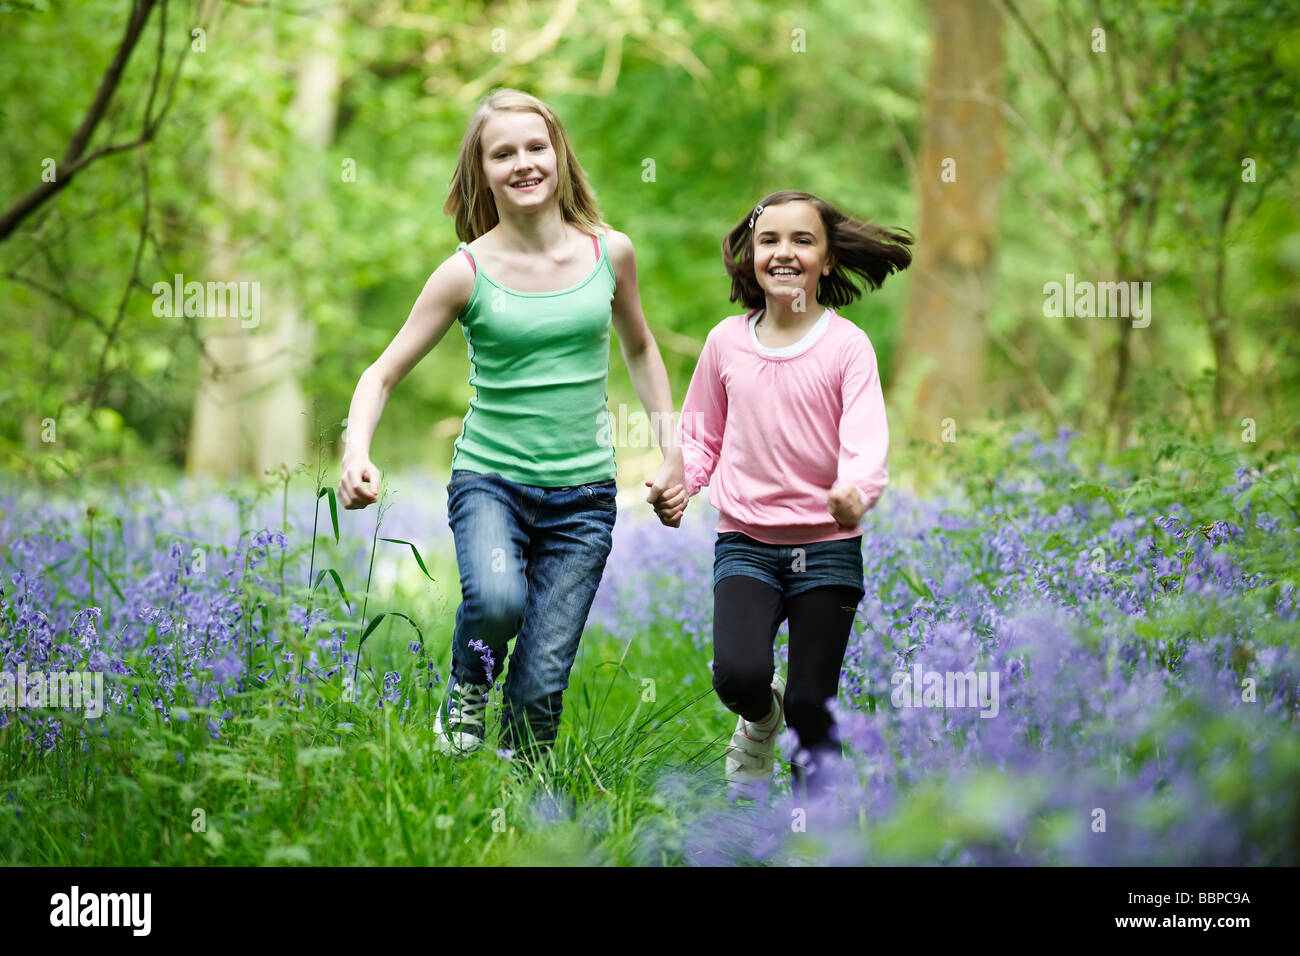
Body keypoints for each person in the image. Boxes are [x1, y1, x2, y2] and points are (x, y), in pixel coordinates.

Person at [337, 88, 685, 765]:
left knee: (541, 684)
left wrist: (674, 455)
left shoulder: (610, 254)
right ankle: (467, 687)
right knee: (497, 600)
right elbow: (379, 374)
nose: (523, 163)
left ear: (559, 155)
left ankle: (520, 809)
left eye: (535, 146)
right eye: (504, 153)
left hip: (584, 497)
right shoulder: (465, 273)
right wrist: (356, 451)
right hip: (491, 483)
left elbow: (641, 348)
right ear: (482, 171)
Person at [653, 190, 912, 797]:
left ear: (826, 258)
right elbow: (700, 438)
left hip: (827, 549)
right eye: (769, 240)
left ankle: (811, 839)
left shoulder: (847, 347)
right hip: (745, 540)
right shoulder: (725, 342)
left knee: (811, 705)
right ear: (750, 255)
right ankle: (758, 719)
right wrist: (680, 484)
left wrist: (855, 490)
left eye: (802, 240)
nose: (784, 252)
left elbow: (866, 439)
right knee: (738, 674)